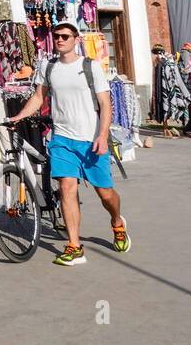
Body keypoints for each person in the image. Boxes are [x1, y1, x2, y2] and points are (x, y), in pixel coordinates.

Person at [11, 20, 131, 266]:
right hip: (61, 139)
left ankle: (117, 222)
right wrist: (19, 116)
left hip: (90, 139)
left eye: (65, 36)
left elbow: (106, 104)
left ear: (76, 40)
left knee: (105, 194)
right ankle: (74, 246)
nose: (60, 40)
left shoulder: (90, 67)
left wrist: (102, 135)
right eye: (56, 36)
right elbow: (37, 97)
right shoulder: (49, 66)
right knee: (67, 187)